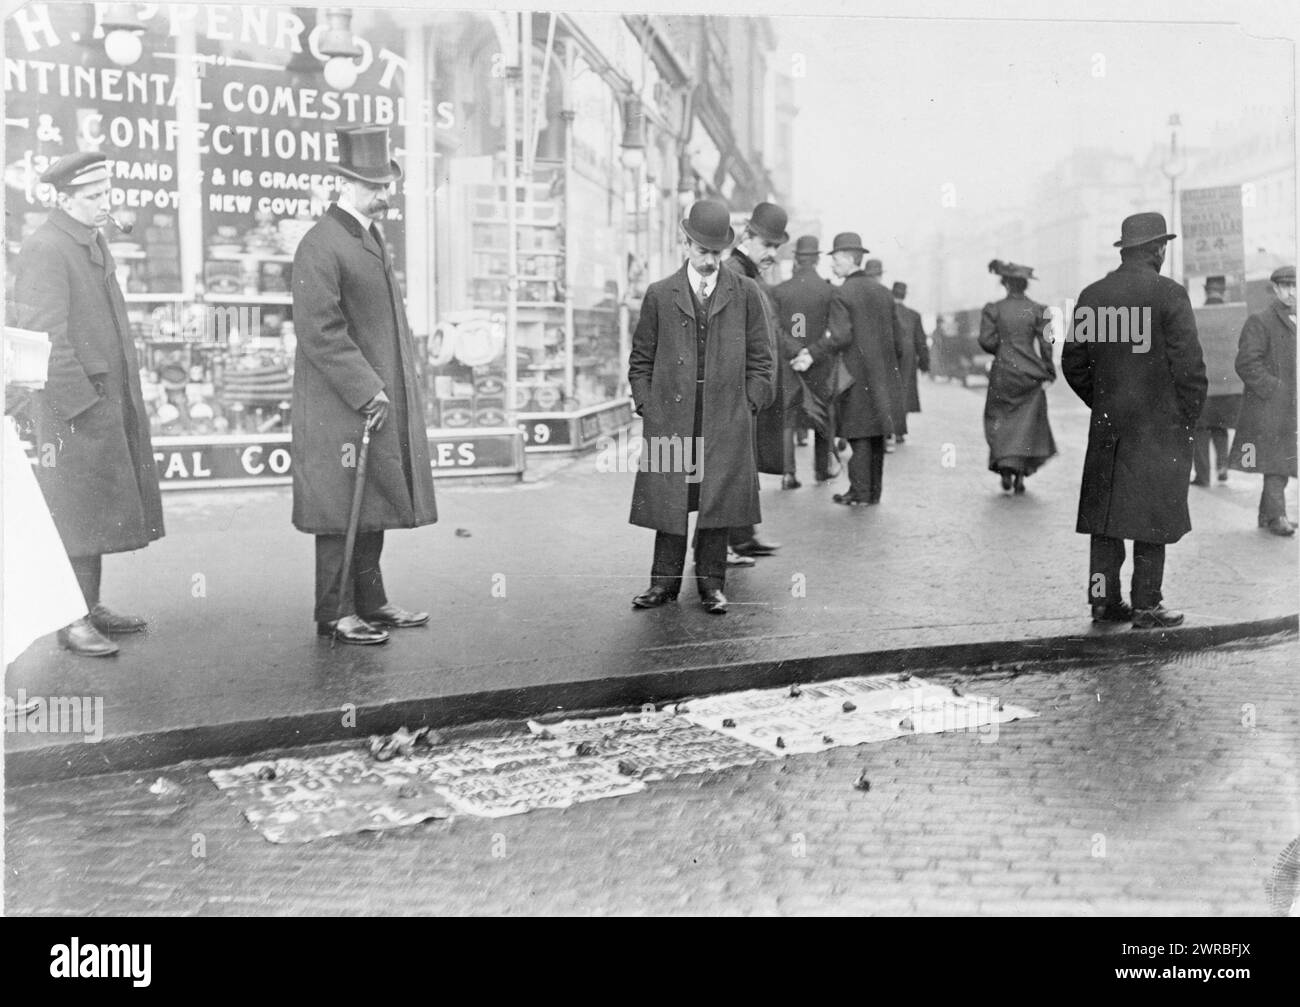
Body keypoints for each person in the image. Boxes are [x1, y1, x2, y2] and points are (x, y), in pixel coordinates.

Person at [10, 151, 164, 657]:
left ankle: (88, 604)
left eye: (106, 194)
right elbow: (43, 335)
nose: (105, 204)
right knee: (75, 511)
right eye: (94, 196)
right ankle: (72, 619)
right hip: (70, 407)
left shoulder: (89, 240)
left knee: (93, 506)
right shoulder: (46, 247)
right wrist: (83, 407)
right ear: (64, 197)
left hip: (98, 400)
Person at [291, 126, 437, 645]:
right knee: (338, 510)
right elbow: (319, 330)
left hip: (367, 397)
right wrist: (367, 388)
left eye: (388, 185)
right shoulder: (322, 243)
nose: (385, 195)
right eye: (374, 186)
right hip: (339, 402)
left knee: (370, 499)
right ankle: (335, 612)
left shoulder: (365, 237)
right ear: (345, 183)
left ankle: (370, 601)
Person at [628, 200, 775, 615]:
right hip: (673, 415)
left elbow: (762, 357)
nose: (710, 260)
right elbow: (640, 359)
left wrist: (749, 402)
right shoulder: (660, 294)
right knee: (671, 503)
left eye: (717, 252)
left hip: (725, 414)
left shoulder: (745, 293)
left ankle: (712, 585)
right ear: (686, 244)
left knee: (718, 501)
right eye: (702, 251)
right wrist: (647, 405)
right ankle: (663, 585)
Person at [1062, 212, 1207, 629]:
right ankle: (1146, 604)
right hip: (1159, 427)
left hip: (1109, 427)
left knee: (1105, 518)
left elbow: (1073, 363)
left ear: (1125, 250)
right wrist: (1184, 416)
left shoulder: (1093, 296)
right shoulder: (1169, 294)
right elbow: (1190, 368)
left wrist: (1103, 402)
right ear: (1158, 249)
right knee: (1153, 516)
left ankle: (1102, 602)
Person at [722, 202, 805, 556]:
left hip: (752, 390)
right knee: (728, 468)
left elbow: (768, 330)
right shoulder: (733, 273)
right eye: (767, 245)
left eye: (776, 247)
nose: (772, 253)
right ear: (747, 236)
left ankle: (741, 537)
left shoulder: (751, 275)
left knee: (742, 466)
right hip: (734, 390)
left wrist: (792, 351)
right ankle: (719, 546)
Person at [823, 233, 906, 505]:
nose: (833, 266)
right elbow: (898, 339)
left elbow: (840, 337)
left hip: (854, 375)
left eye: (835, 260)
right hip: (881, 376)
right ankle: (874, 492)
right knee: (876, 434)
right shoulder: (884, 294)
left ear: (849, 259)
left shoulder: (841, 293)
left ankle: (859, 492)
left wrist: (817, 351)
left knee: (857, 433)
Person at [1227, 265, 1296, 535]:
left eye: (1295, 285)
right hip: (1271, 407)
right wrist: (1275, 388)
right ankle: (1276, 516)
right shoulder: (1261, 320)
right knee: (1277, 463)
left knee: (1283, 460)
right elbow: (1246, 362)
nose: (1292, 292)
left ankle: (1267, 515)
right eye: (1285, 286)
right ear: (1276, 289)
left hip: (1291, 407)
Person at [979, 259, 1057, 493]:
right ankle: (1021, 475)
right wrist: (1048, 369)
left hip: (1003, 370)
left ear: (1005, 284)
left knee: (999, 419)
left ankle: (1004, 469)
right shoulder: (1039, 310)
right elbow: (1047, 343)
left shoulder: (993, 309)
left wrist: (1001, 349)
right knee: (1027, 423)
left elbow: (985, 340)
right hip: (1030, 372)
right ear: (1026, 285)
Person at [772, 236, 837, 483]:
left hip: (790, 363)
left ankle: (788, 472)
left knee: (788, 415)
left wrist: (795, 350)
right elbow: (834, 331)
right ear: (818, 259)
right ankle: (821, 469)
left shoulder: (780, 291)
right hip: (820, 363)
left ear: (797, 259)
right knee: (821, 414)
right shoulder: (830, 291)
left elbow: (775, 328)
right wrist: (811, 353)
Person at [1190, 275, 1242, 486]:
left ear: (1205, 290)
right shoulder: (1235, 315)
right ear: (1224, 291)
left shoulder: (1196, 315)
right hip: (1229, 385)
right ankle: (1222, 466)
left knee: (1200, 430)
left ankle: (1203, 476)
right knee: (1220, 428)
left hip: (1203, 386)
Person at [891, 281, 930, 441]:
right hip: (908, 357)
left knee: (890, 390)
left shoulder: (887, 311)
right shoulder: (914, 315)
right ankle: (899, 431)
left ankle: (889, 430)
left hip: (890, 355)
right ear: (905, 295)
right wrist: (924, 364)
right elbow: (921, 341)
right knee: (904, 391)